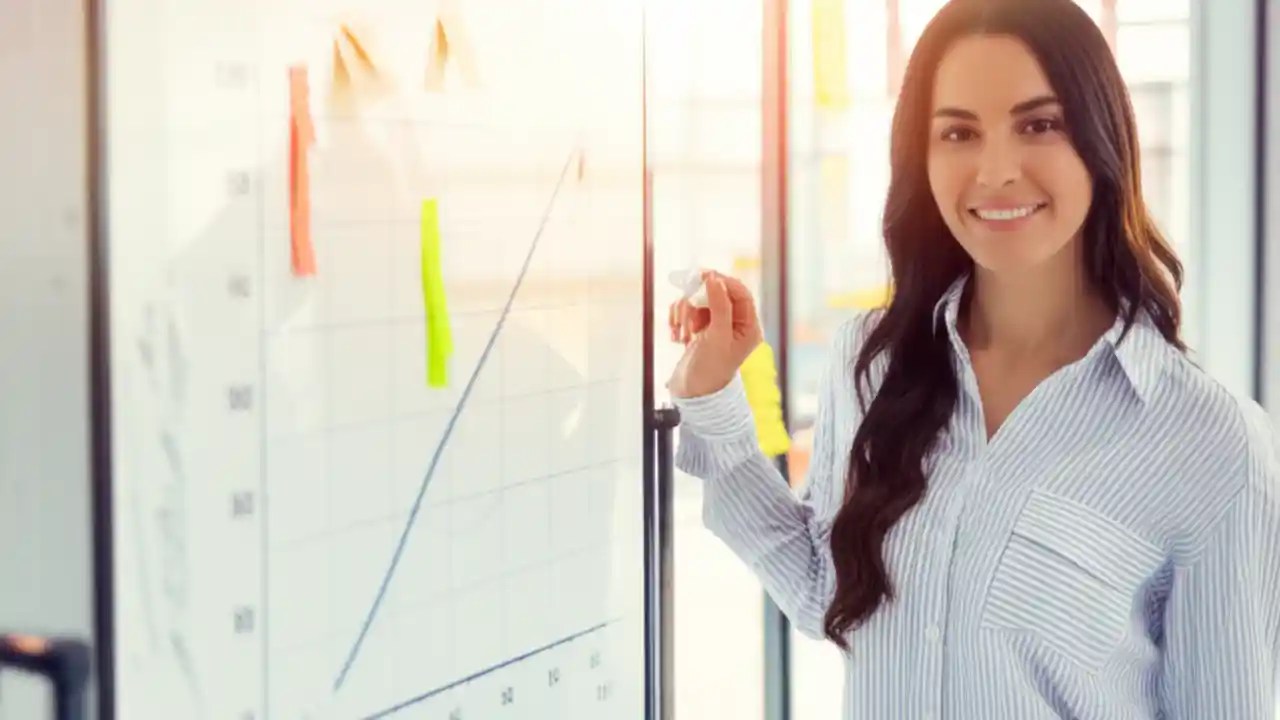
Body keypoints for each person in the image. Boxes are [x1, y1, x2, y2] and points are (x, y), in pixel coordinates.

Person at [665, 0, 1280, 717]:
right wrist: (713, 396)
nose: (994, 171)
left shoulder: (1210, 443)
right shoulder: (871, 364)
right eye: (958, 132)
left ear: (1101, 139)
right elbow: (824, 592)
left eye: (1038, 124)